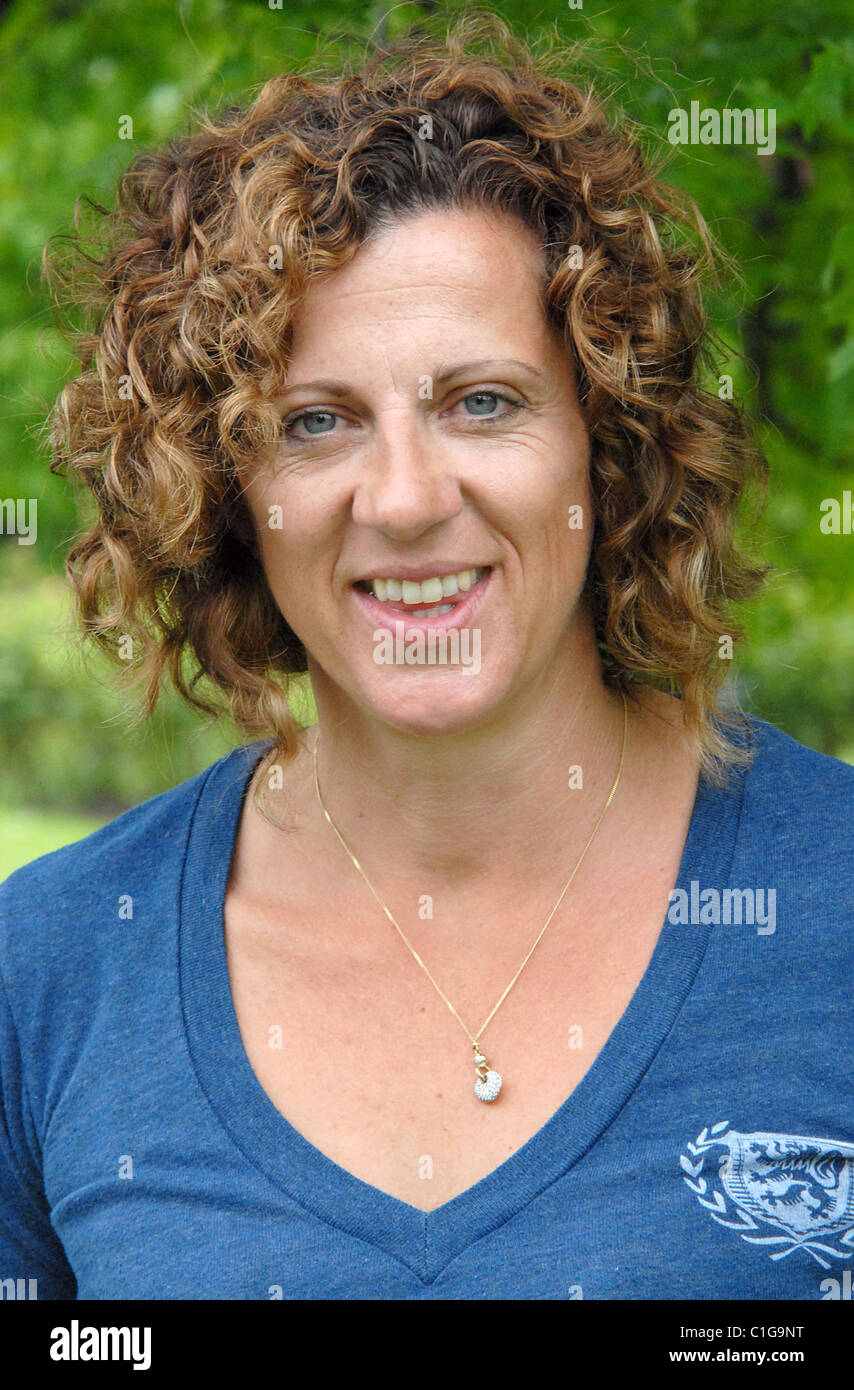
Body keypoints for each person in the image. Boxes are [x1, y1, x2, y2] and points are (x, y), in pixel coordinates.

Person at [1, 15, 852, 1301]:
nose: (401, 499)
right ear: (225, 489)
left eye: (482, 403)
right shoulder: (50, 968)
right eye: (315, 421)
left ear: (607, 443)